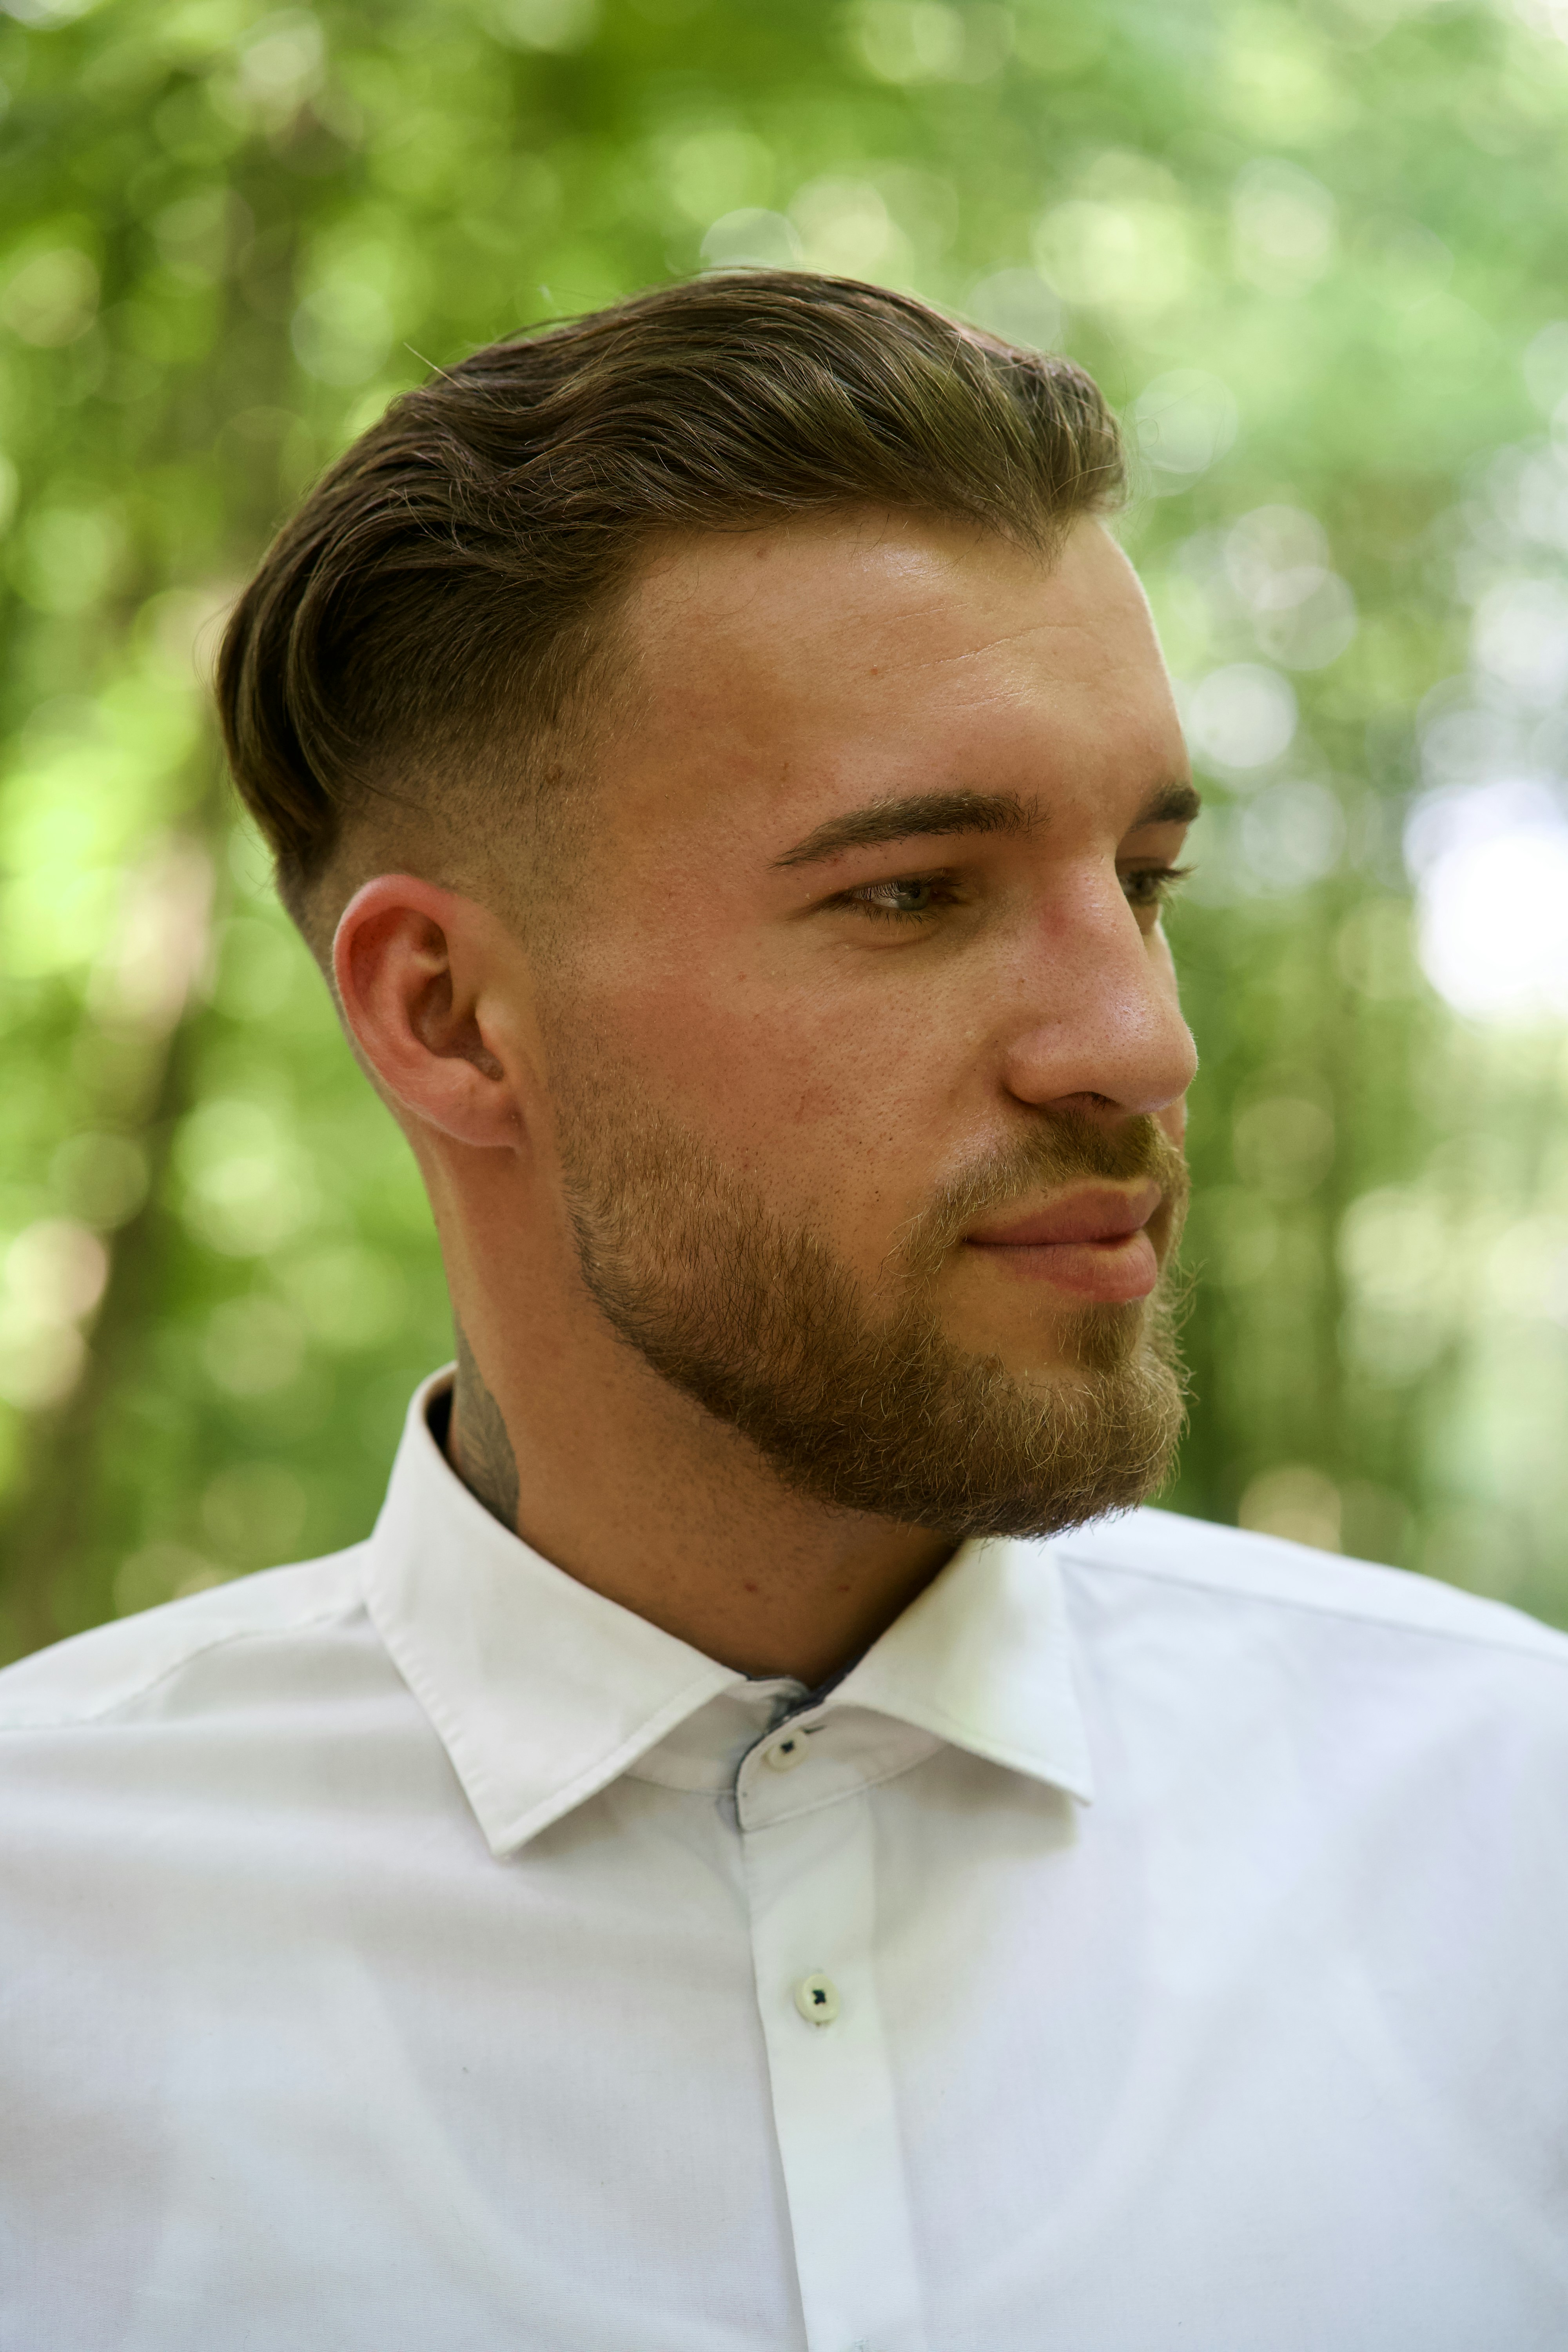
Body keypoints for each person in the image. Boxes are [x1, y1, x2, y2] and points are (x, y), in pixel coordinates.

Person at [3, 273, 1565, 2352]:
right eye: (912, 892)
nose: (1138, 1042)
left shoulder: (1511, 1826)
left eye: (1148, 877)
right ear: (451, 1017)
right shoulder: (47, 1935)